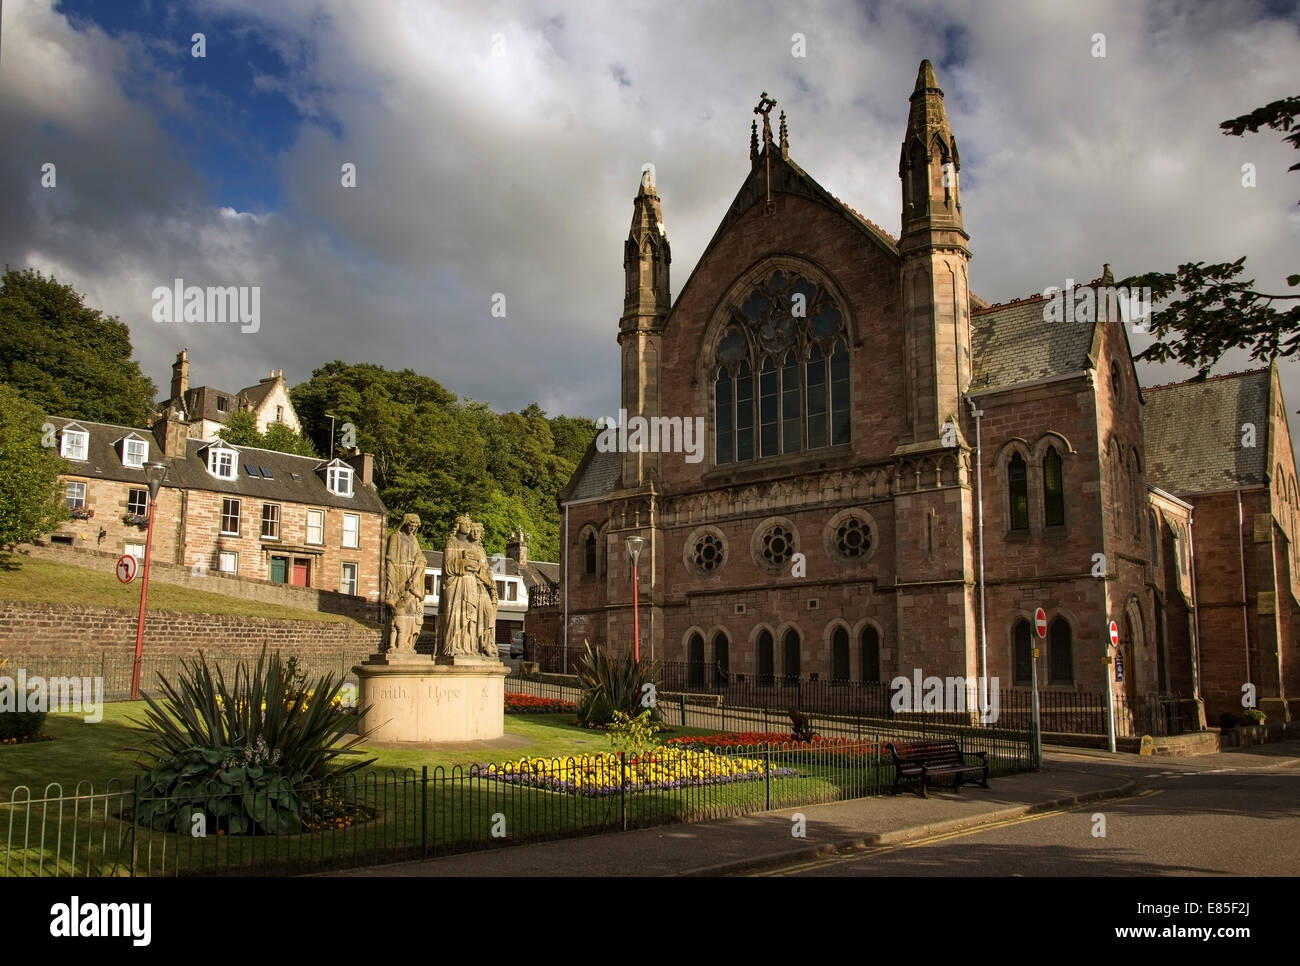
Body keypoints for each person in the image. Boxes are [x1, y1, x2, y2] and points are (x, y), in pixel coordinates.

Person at [384, 513, 424, 652]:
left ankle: (406, 644)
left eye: (415, 526)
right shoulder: (395, 537)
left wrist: (417, 572)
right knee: (398, 611)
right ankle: (394, 645)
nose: (412, 528)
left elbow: (421, 557)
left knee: (411, 611)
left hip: (411, 575)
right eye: (410, 525)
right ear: (405, 523)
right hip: (399, 575)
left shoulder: (414, 539)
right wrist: (390, 582)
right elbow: (390, 560)